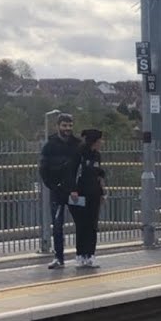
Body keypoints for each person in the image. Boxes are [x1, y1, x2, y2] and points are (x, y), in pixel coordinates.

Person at [38, 113, 80, 269]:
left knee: (82, 224)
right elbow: (43, 168)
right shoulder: (50, 145)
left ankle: (83, 255)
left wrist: (77, 187)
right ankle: (59, 257)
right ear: (58, 126)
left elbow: (81, 168)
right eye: (64, 125)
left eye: (70, 125)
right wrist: (53, 185)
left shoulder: (77, 144)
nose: (67, 129)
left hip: (76, 191)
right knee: (57, 225)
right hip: (58, 191)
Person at [68, 129, 106, 268]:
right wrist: (73, 190)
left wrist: (102, 193)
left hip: (94, 194)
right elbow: (72, 173)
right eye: (100, 140)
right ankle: (80, 254)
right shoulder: (79, 154)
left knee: (92, 225)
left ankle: (90, 255)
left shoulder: (97, 155)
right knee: (81, 225)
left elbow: (98, 174)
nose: (102, 142)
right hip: (80, 194)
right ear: (94, 141)